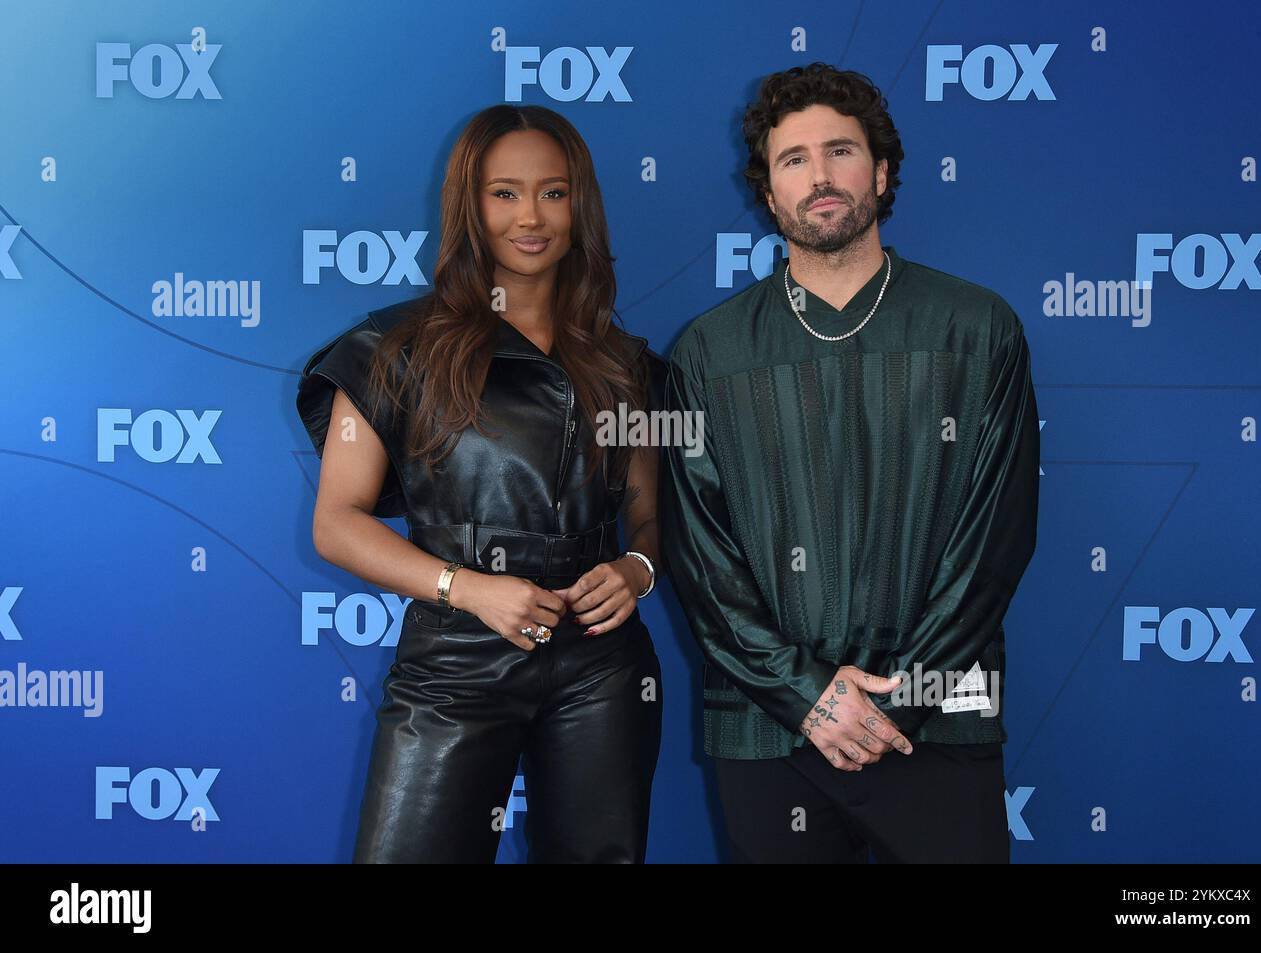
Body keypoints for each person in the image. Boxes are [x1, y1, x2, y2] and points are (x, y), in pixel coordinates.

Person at [659, 63, 1040, 863]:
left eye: (841, 150)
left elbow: (994, 540)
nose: (820, 175)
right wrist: (807, 696)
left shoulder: (977, 328)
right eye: (792, 159)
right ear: (768, 192)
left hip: (943, 719)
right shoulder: (707, 351)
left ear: (883, 170)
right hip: (768, 726)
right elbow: (700, 555)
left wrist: (894, 705)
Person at [296, 104, 665, 864]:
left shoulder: (624, 361)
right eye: (505, 193)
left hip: (602, 661)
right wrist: (467, 589)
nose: (531, 217)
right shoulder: (390, 348)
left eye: (554, 193)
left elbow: (649, 516)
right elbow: (337, 522)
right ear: (470, 204)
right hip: (456, 657)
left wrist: (637, 569)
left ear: (580, 206)